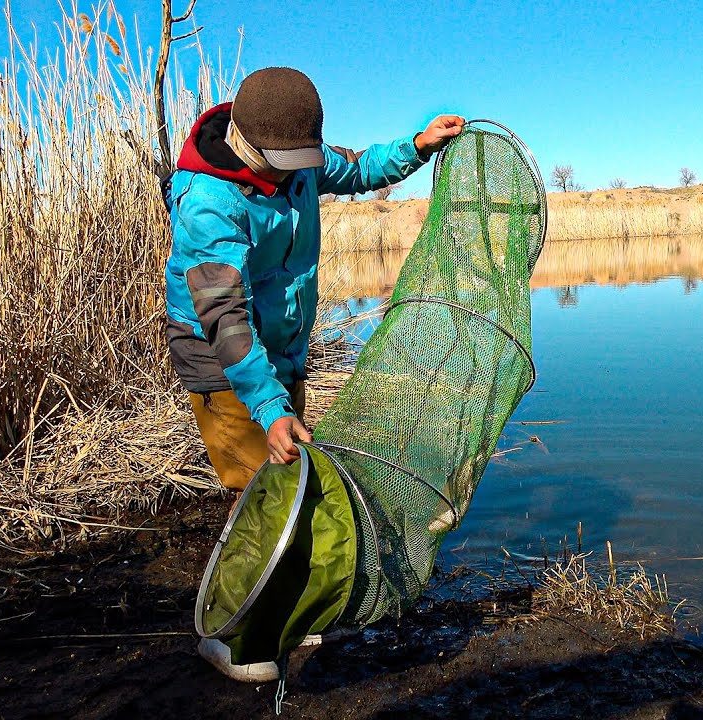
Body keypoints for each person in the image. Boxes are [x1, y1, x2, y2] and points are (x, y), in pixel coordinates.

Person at [163, 66, 462, 680]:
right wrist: (270, 409)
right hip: (221, 354)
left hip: (281, 347)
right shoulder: (208, 204)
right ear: (247, 143)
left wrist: (415, 147)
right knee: (255, 486)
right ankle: (231, 635)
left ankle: (289, 603)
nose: (297, 171)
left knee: (288, 472)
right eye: (284, 161)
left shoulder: (296, 163)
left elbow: (352, 168)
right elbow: (225, 318)